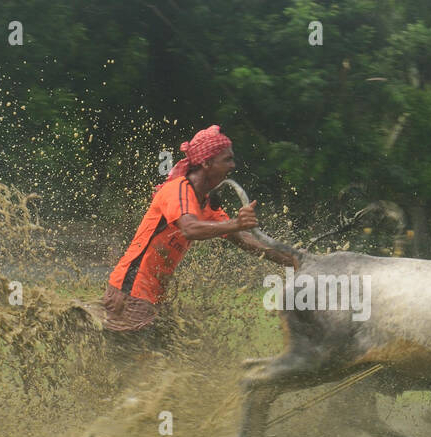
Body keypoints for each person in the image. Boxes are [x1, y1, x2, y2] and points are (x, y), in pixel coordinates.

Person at [97, 125, 291, 334]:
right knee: (137, 361)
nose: (233, 165)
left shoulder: (205, 203)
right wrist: (236, 222)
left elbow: (243, 238)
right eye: (227, 159)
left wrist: (294, 260)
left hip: (150, 295)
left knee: (144, 356)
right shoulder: (177, 190)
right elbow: (190, 228)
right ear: (206, 163)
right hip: (131, 290)